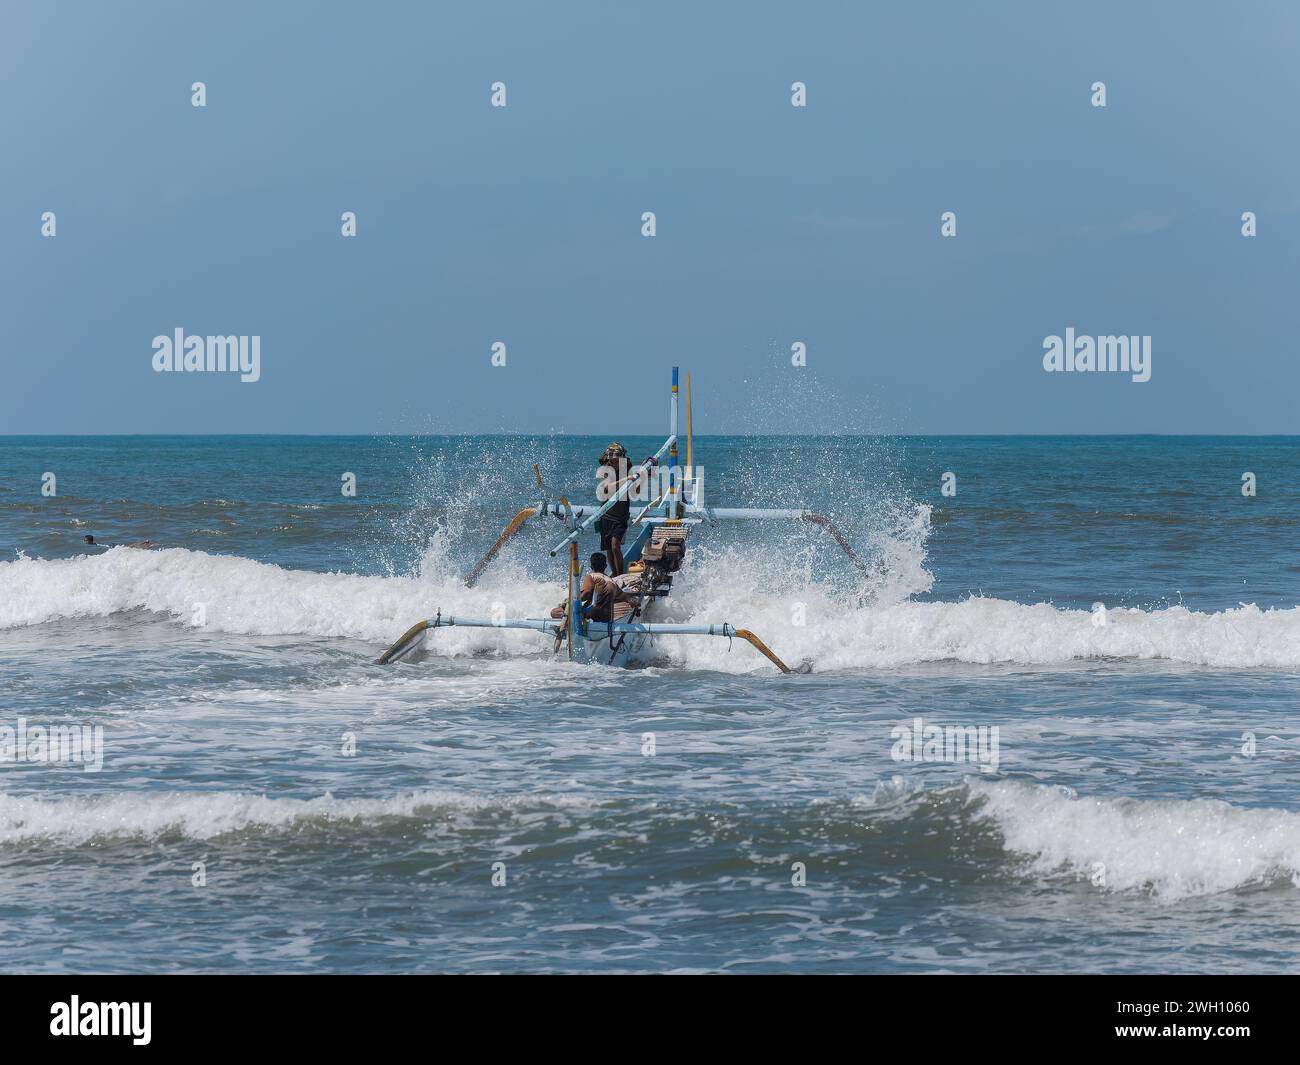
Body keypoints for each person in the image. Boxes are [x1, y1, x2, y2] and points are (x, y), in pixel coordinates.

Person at [550, 552, 635, 623]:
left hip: (590, 615)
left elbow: (587, 593)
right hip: (606, 619)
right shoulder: (611, 581)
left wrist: (567, 603)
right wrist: (634, 603)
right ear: (605, 566)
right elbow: (626, 597)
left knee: (554, 612)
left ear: (591, 566)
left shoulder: (591, 577)